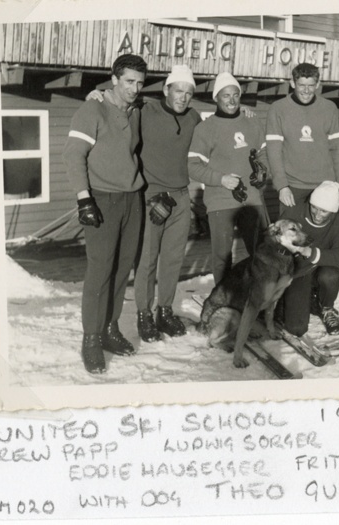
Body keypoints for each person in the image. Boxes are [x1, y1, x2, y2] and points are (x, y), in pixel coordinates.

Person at [62, 54, 147, 374]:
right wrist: (84, 199)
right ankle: (91, 339)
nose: (135, 89)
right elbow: (73, 155)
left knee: (122, 269)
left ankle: (110, 330)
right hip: (101, 201)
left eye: (140, 83)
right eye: (128, 81)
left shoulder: (136, 109)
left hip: (131, 200)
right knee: (100, 272)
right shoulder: (92, 108)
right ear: (114, 79)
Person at [133, 65, 202, 340]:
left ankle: (164, 311)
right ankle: (144, 314)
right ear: (166, 90)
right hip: (151, 196)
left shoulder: (195, 118)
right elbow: (116, 105)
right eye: (178, 91)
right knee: (147, 259)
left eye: (189, 93)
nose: (183, 98)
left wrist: (242, 114)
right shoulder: (145, 111)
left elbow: (217, 131)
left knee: (173, 260)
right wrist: (97, 94)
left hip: (181, 197)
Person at [188, 72, 270, 284]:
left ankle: (258, 304)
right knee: (222, 257)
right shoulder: (205, 128)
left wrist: (263, 171)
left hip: (251, 199)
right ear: (216, 98)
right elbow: (193, 166)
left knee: (261, 254)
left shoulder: (252, 122)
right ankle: (223, 304)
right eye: (226, 96)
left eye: (235, 95)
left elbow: (263, 154)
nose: (232, 100)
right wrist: (221, 178)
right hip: (221, 201)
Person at [266, 62, 339, 212]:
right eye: (301, 85)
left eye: (310, 85)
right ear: (292, 83)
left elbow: (337, 149)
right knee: (291, 233)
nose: (306, 91)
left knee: (321, 234)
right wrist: (282, 186)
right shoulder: (278, 109)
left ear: (318, 84)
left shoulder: (329, 108)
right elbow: (274, 153)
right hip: (293, 186)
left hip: (325, 185)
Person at [278, 181, 339, 336]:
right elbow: (276, 246)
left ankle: (327, 308)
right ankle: (308, 299)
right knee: (296, 328)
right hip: (299, 270)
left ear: (332, 211)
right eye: (314, 208)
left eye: (324, 211)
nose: (317, 215)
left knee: (330, 275)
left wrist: (309, 252)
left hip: (323, 265)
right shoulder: (294, 212)